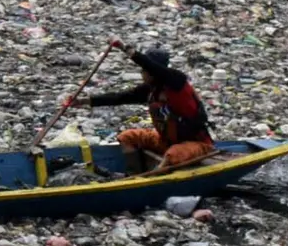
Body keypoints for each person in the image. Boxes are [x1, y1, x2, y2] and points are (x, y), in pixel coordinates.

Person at [66, 44, 214, 172]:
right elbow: (120, 97)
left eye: (144, 70)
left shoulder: (177, 83)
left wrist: (125, 49)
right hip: (166, 141)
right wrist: (83, 101)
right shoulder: (151, 89)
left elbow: (156, 69)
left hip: (196, 144)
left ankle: (152, 180)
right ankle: (134, 174)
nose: (141, 73)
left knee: (173, 154)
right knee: (127, 137)